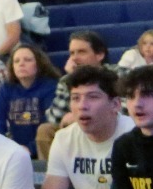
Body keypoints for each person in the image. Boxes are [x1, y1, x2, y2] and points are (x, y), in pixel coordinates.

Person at [37, 31, 115, 159]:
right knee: (45, 130)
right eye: (72, 53)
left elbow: (125, 109)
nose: (74, 58)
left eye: (81, 52)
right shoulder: (66, 81)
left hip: (109, 127)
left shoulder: (118, 74)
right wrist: (73, 80)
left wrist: (79, 115)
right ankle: (55, 174)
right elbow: (54, 117)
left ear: (100, 54)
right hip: (78, 129)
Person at [0, 44, 58, 156]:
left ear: (38, 64)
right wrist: (0, 146)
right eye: (16, 61)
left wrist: (29, 149)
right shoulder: (6, 88)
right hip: (14, 149)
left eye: (27, 60)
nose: (21, 64)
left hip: (43, 150)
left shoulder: (51, 87)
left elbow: (49, 122)